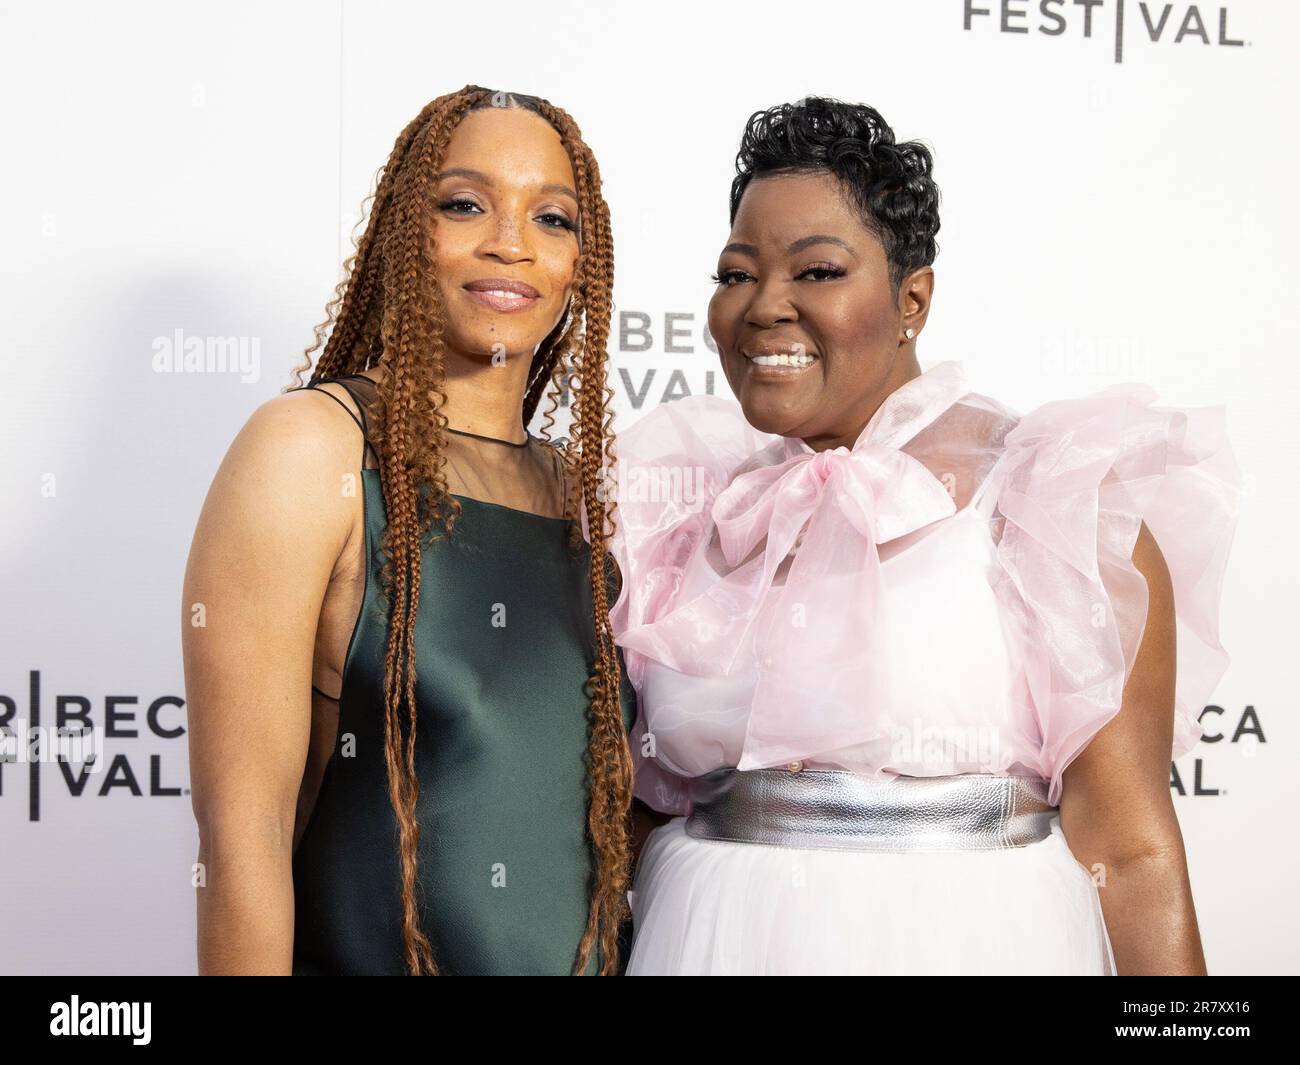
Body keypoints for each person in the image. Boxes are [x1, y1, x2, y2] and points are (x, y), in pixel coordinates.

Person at [611, 97, 1240, 975]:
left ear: (913, 298)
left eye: (818, 271)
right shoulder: (679, 512)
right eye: (736, 273)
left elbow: (1130, 851)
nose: (764, 307)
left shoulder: (1049, 500)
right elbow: (633, 818)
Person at [182, 86, 636, 976]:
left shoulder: (579, 499)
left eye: (552, 217)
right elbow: (245, 839)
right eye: (464, 204)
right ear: (402, 228)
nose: (510, 241)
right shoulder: (313, 451)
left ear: (584, 260)